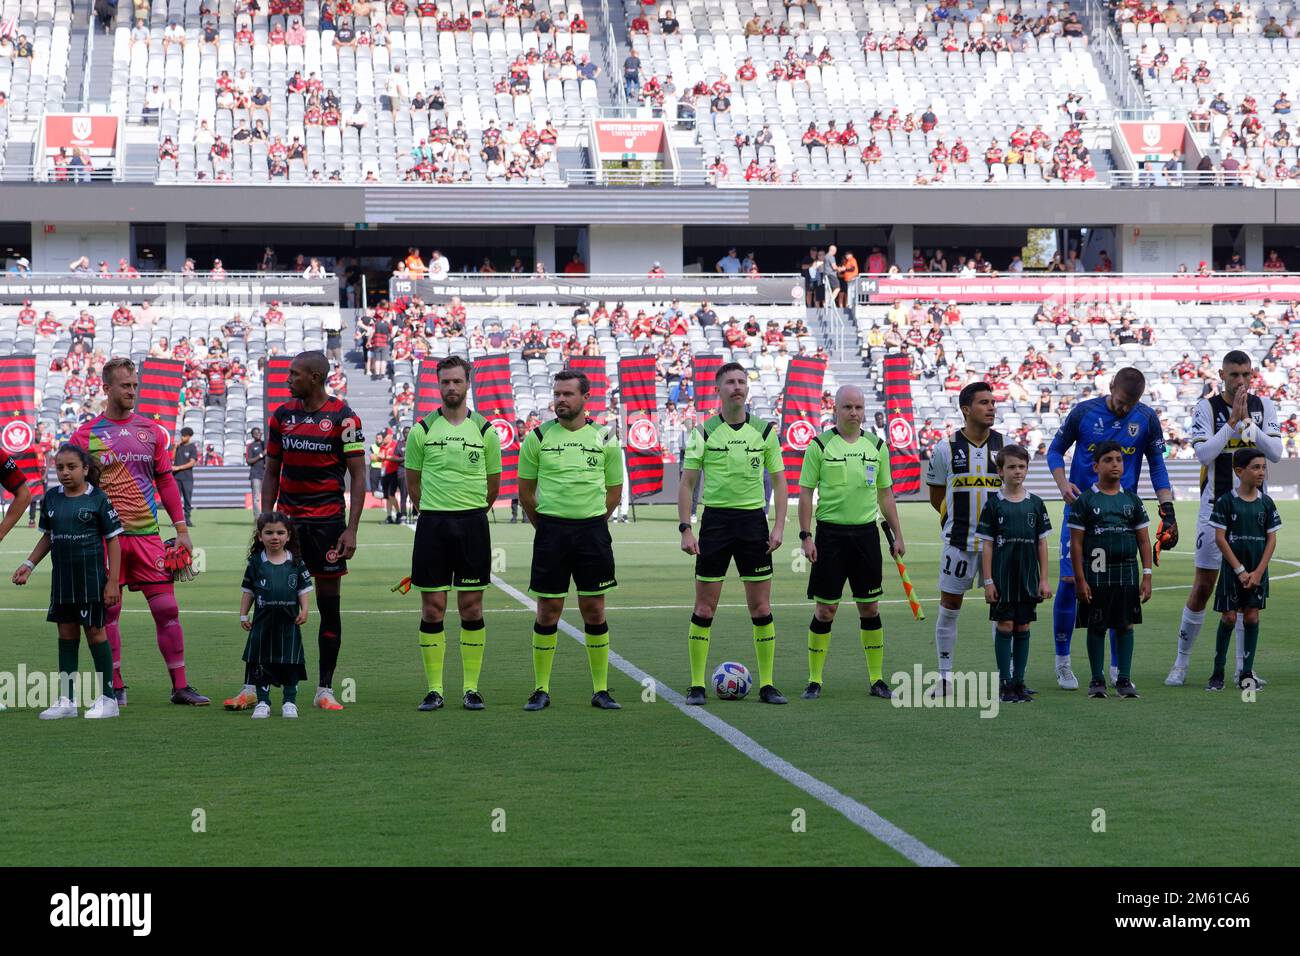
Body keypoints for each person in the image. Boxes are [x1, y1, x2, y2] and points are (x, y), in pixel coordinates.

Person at [225, 352, 365, 712]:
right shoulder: (281, 416)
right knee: (267, 601)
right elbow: (272, 471)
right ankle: (251, 686)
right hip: (285, 526)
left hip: (328, 523)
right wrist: (266, 518)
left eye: (294, 374)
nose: (288, 379)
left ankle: (324, 689)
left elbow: (359, 475)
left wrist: (351, 529)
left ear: (316, 377)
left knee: (328, 607)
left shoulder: (345, 418)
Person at [71, 358, 206, 706]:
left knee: (167, 611)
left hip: (147, 536)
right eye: (125, 386)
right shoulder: (85, 435)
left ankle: (180, 686)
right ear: (106, 389)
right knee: (108, 614)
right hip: (105, 539)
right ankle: (116, 687)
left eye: (135, 385)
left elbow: (165, 479)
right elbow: (74, 485)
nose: (132, 391)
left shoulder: (152, 432)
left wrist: (181, 529)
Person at [1047, 367, 1174, 690]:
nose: (1124, 409)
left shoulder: (1145, 418)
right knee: (1068, 583)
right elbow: (1054, 451)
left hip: (1122, 516)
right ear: (1110, 387)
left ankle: (1119, 668)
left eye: (1130, 404)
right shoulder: (1084, 412)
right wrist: (1063, 485)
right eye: (1120, 402)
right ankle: (1063, 662)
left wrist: (1167, 507)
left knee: (1120, 590)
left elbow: (1157, 464)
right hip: (1081, 512)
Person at [1166, 351, 1282, 687]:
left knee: (1249, 589)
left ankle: (1242, 670)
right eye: (1234, 375)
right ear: (1222, 375)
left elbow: (1274, 452)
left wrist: (1249, 426)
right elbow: (1203, 453)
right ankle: (1181, 663)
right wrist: (1232, 423)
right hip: (1215, 506)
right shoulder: (1207, 407)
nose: (1241, 381)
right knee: (1203, 585)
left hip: (1252, 512)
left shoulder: (1264, 407)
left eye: (1246, 374)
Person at [678, 362, 789, 706]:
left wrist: (780, 525)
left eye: (742, 381)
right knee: (705, 608)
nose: (737, 387)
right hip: (715, 525)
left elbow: (781, 482)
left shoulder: (765, 432)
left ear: (747, 388)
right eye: (730, 382)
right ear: (719, 389)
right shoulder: (704, 432)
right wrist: (686, 527)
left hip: (753, 524)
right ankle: (697, 684)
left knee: (761, 608)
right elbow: (687, 484)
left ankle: (767, 684)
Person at [517, 370, 624, 711]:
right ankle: (541, 689)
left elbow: (614, 490)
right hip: (551, 533)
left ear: (585, 398)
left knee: (594, 609)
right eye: (557, 393)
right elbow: (525, 492)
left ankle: (601, 689)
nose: (561, 399)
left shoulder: (605, 436)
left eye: (568, 394)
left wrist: (591, 520)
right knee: (548, 609)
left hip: (592, 532)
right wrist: (547, 526)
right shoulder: (538, 437)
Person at [403, 356, 502, 711]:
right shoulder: (422, 430)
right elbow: (413, 484)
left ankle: (471, 689)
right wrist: (434, 510)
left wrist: (470, 511)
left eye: (457, 382)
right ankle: (435, 689)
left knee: (471, 607)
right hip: (433, 526)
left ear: (467, 384)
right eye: (445, 382)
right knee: (433, 609)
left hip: (473, 524)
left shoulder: (486, 431)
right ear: (438, 385)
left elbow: (493, 486)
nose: (451, 388)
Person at [796, 385, 903, 700]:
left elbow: (885, 494)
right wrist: (806, 536)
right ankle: (814, 679)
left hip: (866, 536)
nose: (854, 413)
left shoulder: (877, 446)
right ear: (835, 409)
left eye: (858, 407)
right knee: (826, 609)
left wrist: (898, 535)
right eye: (847, 407)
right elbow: (804, 493)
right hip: (830, 536)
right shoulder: (819, 446)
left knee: (869, 608)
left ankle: (877, 679)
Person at [13, 444, 123, 719]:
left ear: (85, 469)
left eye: (71, 467)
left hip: (91, 579)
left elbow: (113, 541)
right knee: (66, 635)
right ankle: (67, 701)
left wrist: (112, 582)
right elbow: (48, 536)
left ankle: (108, 699)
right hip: (62, 580)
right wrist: (28, 565)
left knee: (95, 633)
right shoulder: (51, 499)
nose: (65, 472)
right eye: (60, 467)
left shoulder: (98, 498)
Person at [924, 382, 1005, 697]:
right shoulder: (946, 448)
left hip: (997, 544)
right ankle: (945, 678)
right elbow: (936, 496)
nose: (991, 407)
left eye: (993, 402)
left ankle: (1006, 677)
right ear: (966, 409)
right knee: (949, 606)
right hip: (958, 542)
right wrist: (953, 520)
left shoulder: (1005, 446)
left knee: (1001, 610)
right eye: (984, 402)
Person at [1068, 442, 1154, 699]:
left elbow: (1143, 540)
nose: (1115, 463)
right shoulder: (1085, 501)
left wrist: (1147, 574)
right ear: (1096, 466)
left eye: (1119, 459)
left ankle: (1124, 680)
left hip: (1127, 572)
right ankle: (1097, 680)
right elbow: (1076, 543)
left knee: (1126, 625)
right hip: (1096, 574)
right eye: (1108, 460)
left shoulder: (1131, 500)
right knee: (1097, 626)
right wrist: (1080, 580)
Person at [976, 445, 1052, 704]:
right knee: (1005, 625)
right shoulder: (994, 504)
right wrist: (988, 581)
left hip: (1028, 577)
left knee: (1023, 626)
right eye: (1011, 467)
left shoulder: (1036, 504)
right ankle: (1005, 682)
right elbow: (986, 544)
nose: (1017, 471)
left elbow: (1041, 543)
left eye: (1021, 466)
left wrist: (1043, 579)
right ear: (1000, 471)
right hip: (1003, 577)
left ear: (1027, 469)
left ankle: (1019, 681)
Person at [1205, 448, 1279, 691]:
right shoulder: (1227, 501)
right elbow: (1220, 538)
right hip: (1233, 571)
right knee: (1228, 617)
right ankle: (1217, 673)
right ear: (1239, 471)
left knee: (1252, 616)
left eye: (1263, 467)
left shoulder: (1266, 503)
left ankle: (1246, 673)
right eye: (1255, 467)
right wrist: (1239, 570)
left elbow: (1271, 540)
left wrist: (1258, 572)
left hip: (1257, 571)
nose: (1261, 472)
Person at [239, 512, 313, 719]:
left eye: (280, 532)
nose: (275, 537)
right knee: (262, 664)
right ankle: (263, 702)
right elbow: (248, 591)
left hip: (289, 625)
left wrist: (305, 610)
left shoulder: (296, 562)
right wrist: (243, 615)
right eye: (269, 532)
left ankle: (289, 702)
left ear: (288, 536)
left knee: (291, 664)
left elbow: (303, 590)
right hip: (262, 626)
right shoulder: (256, 562)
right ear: (260, 536)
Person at [171, 427, 199, 527]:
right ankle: (176, 521)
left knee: (187, 499)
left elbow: (192, 462)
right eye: (181, 435)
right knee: (175, 500)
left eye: (184, 436)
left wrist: (178, 468)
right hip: (176, 478)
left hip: (187, 478)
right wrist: (174, 447)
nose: (182, 437)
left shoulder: (192, 447)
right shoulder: (178, 446)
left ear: (189, 436)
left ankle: (187, 519)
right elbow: (172, 458)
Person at [245, 426, 266, 520]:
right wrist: (261, 455)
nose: (258, 434)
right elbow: (249, 460)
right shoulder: (251, 446)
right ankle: (258, 518)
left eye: (259, 432)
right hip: (255, 474)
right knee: (256, 497)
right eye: (255, 433)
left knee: (267, 496)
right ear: (252, 435)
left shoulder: (265, 444)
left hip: (266, 474)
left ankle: (267, 516)